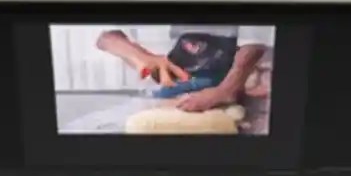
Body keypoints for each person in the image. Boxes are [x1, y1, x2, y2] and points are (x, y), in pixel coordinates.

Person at [95, 25, 271, 112]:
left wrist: (225, 90)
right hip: (165, 93)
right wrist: (143, 57)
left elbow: (254, 45)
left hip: (234, 91)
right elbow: (107, 38)